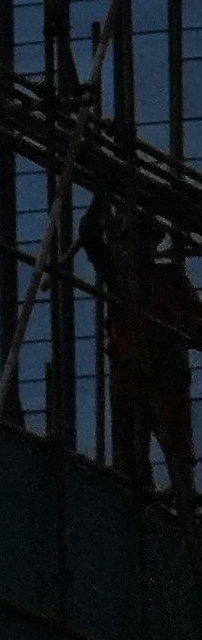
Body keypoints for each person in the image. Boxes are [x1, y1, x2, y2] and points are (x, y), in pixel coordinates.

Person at [81, 190, 202, 501]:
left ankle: (180, 493)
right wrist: (101, 196)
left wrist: (183, 332)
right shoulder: (121, 274)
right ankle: (140, 492)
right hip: (131, 370)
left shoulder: (171, 278)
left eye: (147, 237)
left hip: (166, 372)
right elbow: (90, 238)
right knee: (132, 452)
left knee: (175, 444)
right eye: (136, 237)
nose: (142, 244)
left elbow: (198, 322)